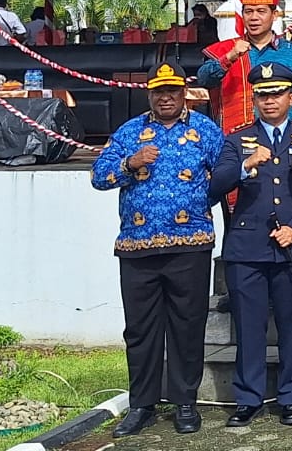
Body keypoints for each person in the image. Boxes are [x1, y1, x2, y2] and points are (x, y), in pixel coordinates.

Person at [91, 62, 224, 438]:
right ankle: (142, 405)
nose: (165, 97)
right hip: (137, 247)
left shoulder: (205, 131)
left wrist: (202, 204)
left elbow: (226, 174)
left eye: (172, 90)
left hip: (190, 245)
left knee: (187, 325)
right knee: (140, 330)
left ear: (184, 92)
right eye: (158, 91)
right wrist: (129, 164)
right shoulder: (131, 131)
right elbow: (98, 176)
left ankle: (185, 402)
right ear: (149, 93)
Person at [208, 63, 292, 429]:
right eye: (263, 95)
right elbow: (214, 186)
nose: (269, 101)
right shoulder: (237, 140)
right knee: (249, 328)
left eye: (276, 94)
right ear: (254, 99)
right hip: (247, 247)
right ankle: (248, 398)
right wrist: (244, 166)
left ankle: (290, 398)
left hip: (291, 247)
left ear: (291, 97)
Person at [197, 0, 292, 132]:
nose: (254, 17)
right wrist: (229, 58)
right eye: (248, 11)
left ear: (274, 15)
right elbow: (203, 80)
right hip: (234, 139)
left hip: (282, 139)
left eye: (261, 11)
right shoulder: (228, 50)